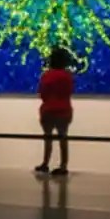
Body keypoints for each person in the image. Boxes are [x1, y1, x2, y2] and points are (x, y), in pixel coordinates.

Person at [36, 47, 74, 176]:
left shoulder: (47, 76)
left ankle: (45, 163)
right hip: (64, 110)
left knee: (48, 138)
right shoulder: (68, 76)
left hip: (49, 111)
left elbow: (42, 93)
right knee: (63, 138)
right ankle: (63, 165)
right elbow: (69, 92)